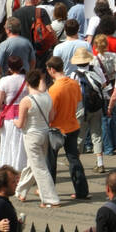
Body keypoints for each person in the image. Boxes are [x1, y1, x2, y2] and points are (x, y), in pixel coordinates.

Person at [13, 69, 61, 208]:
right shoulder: (47, 96)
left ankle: (51, 199)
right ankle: (21, 191)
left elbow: (21, 124)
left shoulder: (26, 101)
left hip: (31, 135)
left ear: (27, 82)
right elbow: (52, 117)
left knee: (39, 167)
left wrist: (14, 121)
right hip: (45, 133)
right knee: (33, 164)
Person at [44, 56, 89, 199]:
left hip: (56, 129)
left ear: (51, 70)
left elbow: (51, 113)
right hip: (72, 125)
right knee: (74, 159)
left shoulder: (54, 89)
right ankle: (82, 190)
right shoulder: (74, 83)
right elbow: (78, 102)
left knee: (51, 162)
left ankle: (50, 191)